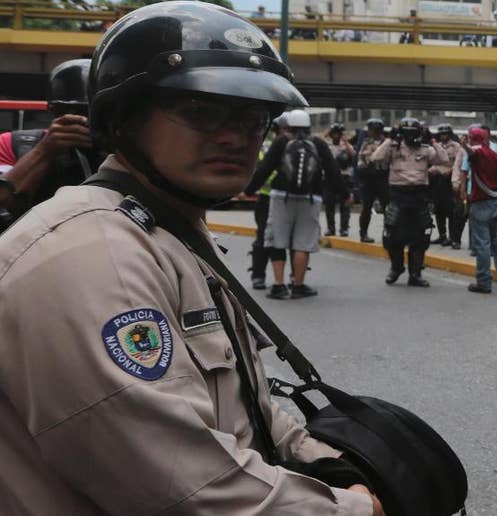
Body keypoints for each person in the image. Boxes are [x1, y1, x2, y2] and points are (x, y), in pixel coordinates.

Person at [0, 3, 383, 515]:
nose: (234, 137)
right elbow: (183, 489)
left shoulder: (171, 230)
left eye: (251, 118)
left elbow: (250, 412)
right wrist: (357, 510)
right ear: (125, 118)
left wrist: (334, 466)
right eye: (200, 111)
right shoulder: (97, 256)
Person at [246, 109, 349, 299]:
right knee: (302, 243)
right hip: (310, 199)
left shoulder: (282, 142)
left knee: (278, 240)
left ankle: (278, 285)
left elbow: (265, 168)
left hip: (281, 197)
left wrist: (249, 189)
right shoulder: (318, 143)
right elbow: (332, 170)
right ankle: (298, 285)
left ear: (288, 126)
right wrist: (345, 194)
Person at [0, 59, 104, 232]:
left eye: (89, 113)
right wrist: (44, 151)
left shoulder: (128, 151)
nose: (80, 121)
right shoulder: (13, 144)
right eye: (67, 112)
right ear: (53, 111)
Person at [371, 116, 449, 286]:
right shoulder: (393, 148)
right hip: (398, 196)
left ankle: (415, 274)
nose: (411, 137)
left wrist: (433, 141)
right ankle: (396, 268)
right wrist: (390, 139)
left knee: (420, 238)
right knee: (391, 237)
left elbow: (443, 160)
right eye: (407, 133)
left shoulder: (426, 149)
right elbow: (375, 158)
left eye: (414, 133)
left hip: (419, 197)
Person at [461, 126, 497, 293]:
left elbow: (472, 153)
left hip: (480, 203)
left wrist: (463, 145)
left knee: (482, 244)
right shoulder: (495, 155)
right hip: (494, 203)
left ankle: (484, 282)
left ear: (472, 138)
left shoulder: (477, 153)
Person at [249, 112, 289, 290]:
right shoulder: (289, 144)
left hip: (267, 196)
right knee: (283, 237)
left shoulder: (264, 144)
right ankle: (295, 278)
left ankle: (259, 275)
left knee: (264, 236)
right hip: (284, 197)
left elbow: (260, 170)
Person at [357, 118, 389, 243]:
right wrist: (363, 167)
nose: (370, 132)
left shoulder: (386, 142)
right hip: (368, 178)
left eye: (373, 129)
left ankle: (388, 233)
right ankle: (363, 233)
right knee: (366, 207)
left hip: (382, 177)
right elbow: (360, 159)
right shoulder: (365, 142)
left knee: (387, 208)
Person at [429, 124, 461, 246]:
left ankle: (452, 237)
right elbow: (433, 161)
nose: (443, 136)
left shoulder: (456, 146)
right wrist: (432, 170)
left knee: (451, 211)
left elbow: (459, 162)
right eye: (441, 134)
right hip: (438, 181)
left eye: (445, 134)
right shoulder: (437, 147)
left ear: (450, 134)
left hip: (450, 181)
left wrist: (452, 171)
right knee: (439, 209)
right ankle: (442, 235)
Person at [324, 122, 356, 237]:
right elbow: (319, 145)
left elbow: (353, 154)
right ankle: (331, 228)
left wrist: (346, 141)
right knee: (329, 205)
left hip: (344, 178)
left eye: (338, 133)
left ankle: (344, 229)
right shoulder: (327, 145)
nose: (336, 136)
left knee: (345, 205)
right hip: (330, 178)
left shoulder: (346, 146)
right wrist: (326, 135)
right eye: (334, 133)